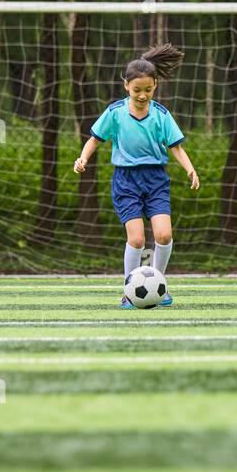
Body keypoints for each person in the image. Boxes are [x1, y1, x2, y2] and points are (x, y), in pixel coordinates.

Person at [75, 43, 199, 308]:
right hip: (126, 181)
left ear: (155, 85)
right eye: (137, 90)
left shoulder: (161, 115)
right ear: (126, 86)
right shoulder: (115, 113)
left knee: (164, 235)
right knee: (137, 239)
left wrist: (190, 168)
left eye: (148, 90)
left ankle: (158, 286)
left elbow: (176, 147)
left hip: (156, 180)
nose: (143, 96)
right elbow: (95, 139)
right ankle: (129, 291)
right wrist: (83, 158)